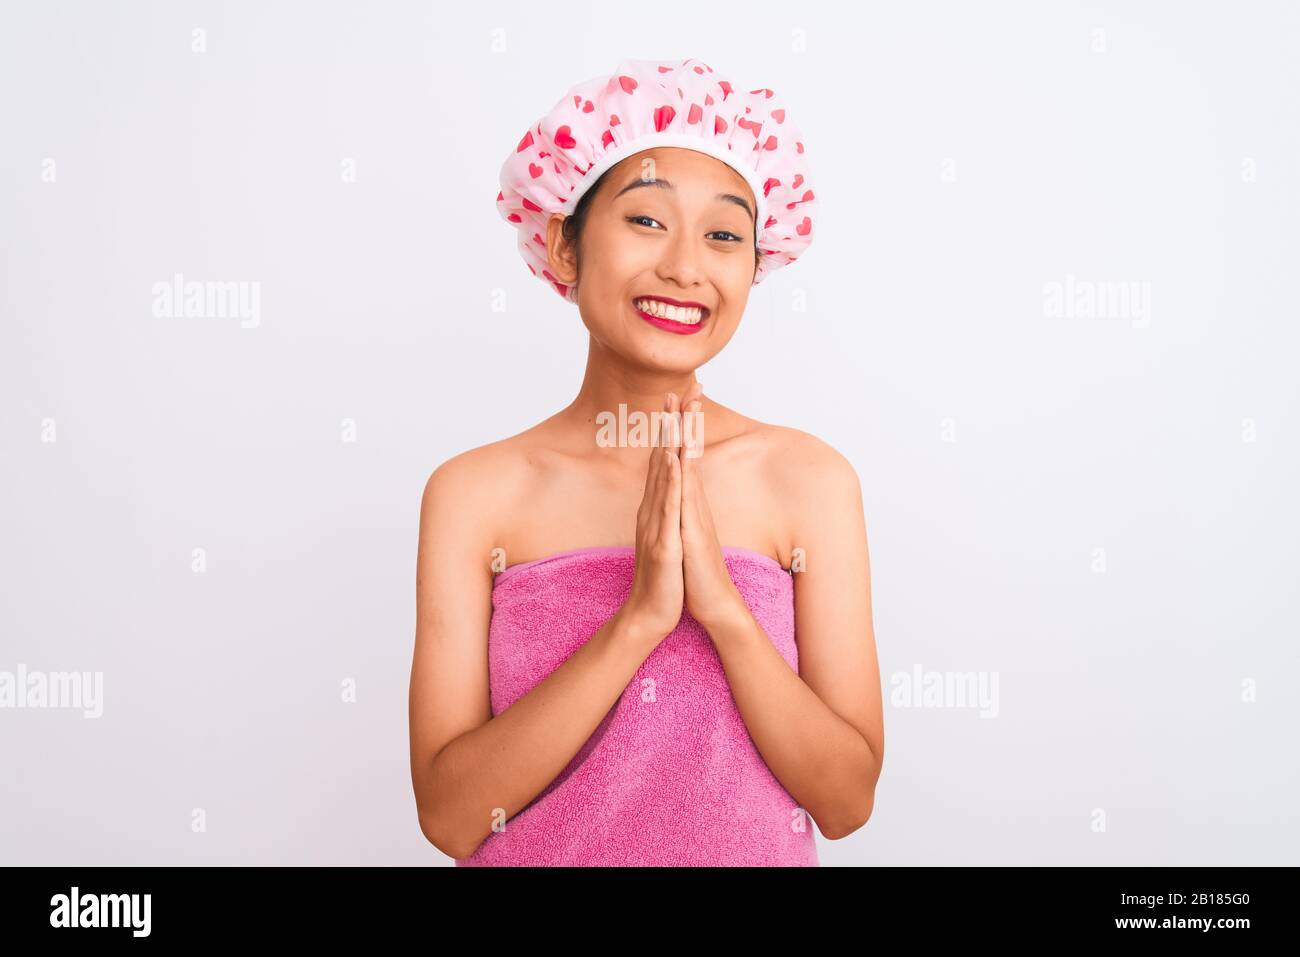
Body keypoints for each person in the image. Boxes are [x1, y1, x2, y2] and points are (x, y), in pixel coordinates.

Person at [409, 57, 883, 865]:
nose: (685, 267)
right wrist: (641, 618)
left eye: (725, 234)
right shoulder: (475, 493)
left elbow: (845, 802)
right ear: (563, 244)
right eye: (647, 221)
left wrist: (724, 608)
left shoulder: (808, 481)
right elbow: (454, 817)